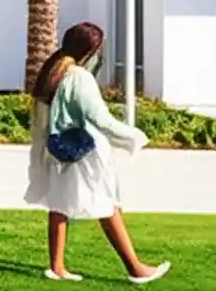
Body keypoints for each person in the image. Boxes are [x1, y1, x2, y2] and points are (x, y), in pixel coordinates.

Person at [27, 22, 171, 284]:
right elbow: (101, 120)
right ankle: (136, 269)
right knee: (107, 205)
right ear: (91, 50)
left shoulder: (54, 71)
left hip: (61, 151)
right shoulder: (79, 77)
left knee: (59, 206)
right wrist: (135, 136)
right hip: (85, 154)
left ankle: (57, 267)